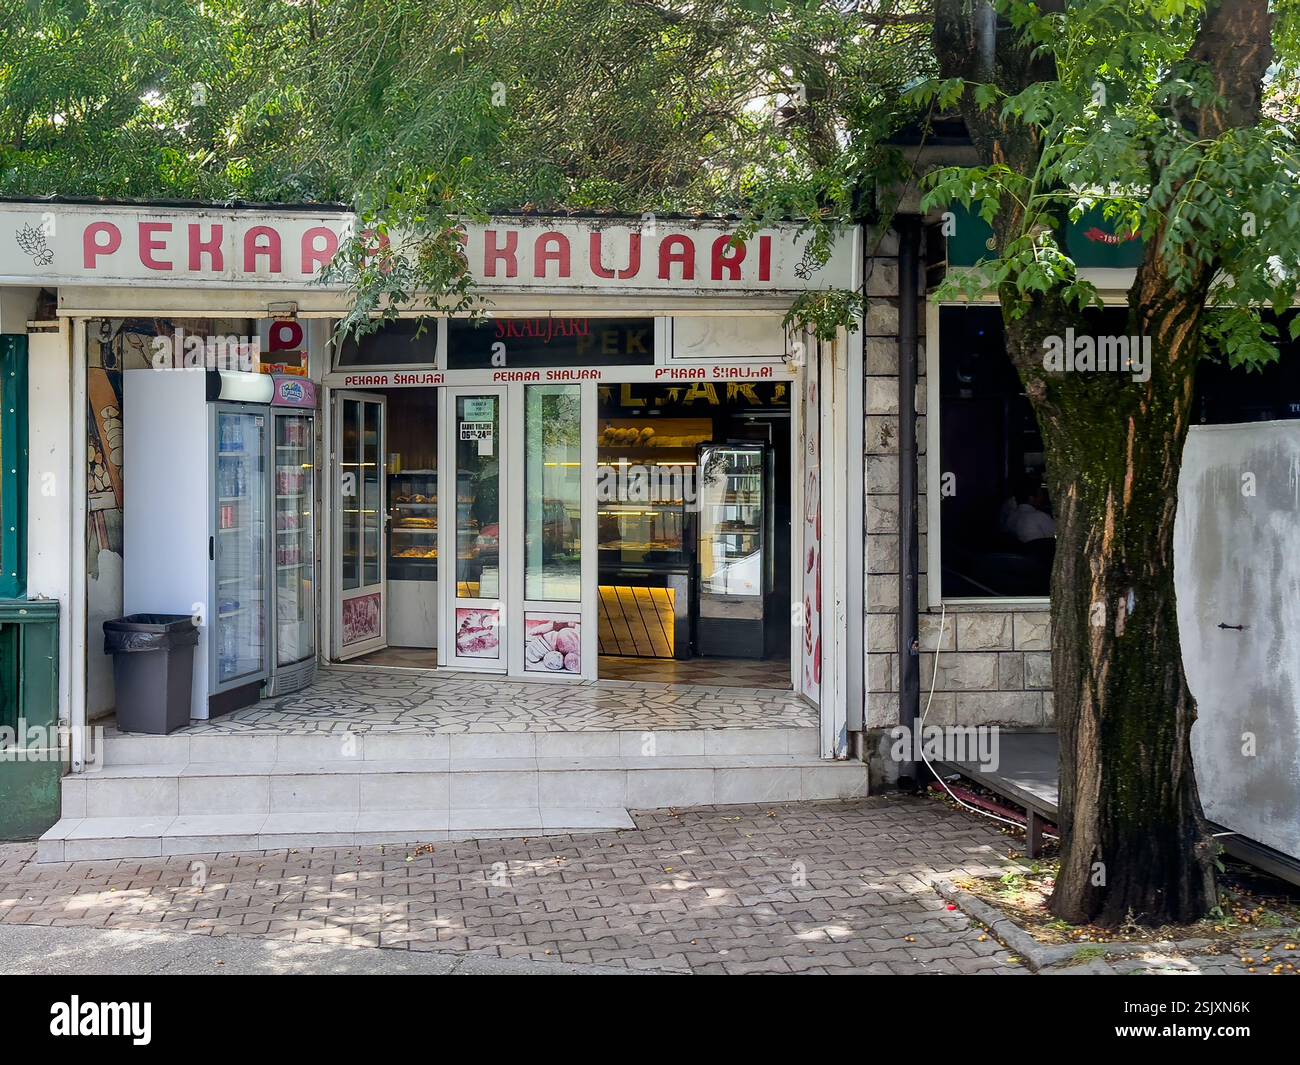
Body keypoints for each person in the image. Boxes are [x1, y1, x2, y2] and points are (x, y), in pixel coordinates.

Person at [1005, 473, 1056, 543]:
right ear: (1031, 498)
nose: (1042, 498)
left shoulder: (1010, 517)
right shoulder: (1039, 517)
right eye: (1040, 495)